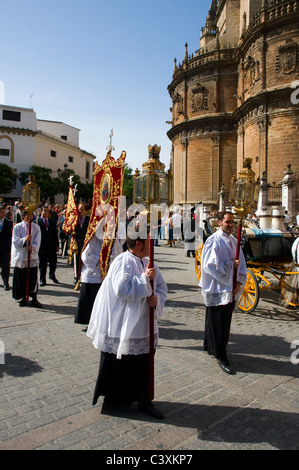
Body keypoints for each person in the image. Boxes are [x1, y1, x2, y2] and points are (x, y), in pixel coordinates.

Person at [87, 227, 167, 419]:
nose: (151, 244)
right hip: (125, 324)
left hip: (144, 322)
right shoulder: (123, 261)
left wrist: (156, 299)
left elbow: (162, 287)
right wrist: (144, 279)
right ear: (139, 243)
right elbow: (121, 289)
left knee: (143, 363)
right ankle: (118, 399)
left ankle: (144, 400)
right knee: (123, 364)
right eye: (148, 241)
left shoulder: (148, 261)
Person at [200, 211, 247, 374]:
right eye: (227, 222)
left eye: (233, 222)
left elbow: (242, 264)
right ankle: (221, 355)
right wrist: (229, 267)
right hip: (217, 287)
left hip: (230, 288)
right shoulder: (214, 240)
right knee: (218, 322)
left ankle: (210, 345)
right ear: (219, 223)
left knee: (222, 321)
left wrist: (239, 282)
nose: (231, 225)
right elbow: (210, 265)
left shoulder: (234, 241)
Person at [11, 209, 42, 308]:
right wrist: (24, 240)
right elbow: (15, 241)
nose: (29, 217)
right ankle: (23, 297)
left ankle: (34, 297)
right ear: (23, 216)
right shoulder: (17, 227)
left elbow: (38, 241)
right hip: (21, 256)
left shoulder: (36, 227)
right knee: (22, 278)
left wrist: (32, 246)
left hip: (31, 256)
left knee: (32, 277)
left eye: (31, 215)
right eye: (27, 215)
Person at [38, 205, 59, 286]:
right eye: (44, 211)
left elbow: (55, 234)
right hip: (42, 246)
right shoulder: (38, 222)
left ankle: (52, 275)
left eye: (47, 211)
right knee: (42, 264)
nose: (46, 212)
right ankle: (42, 279)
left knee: (53, 262)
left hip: (51, 246)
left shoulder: (52, 222)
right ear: (41, 212)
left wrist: (57, 245)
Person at [74, 202, 90, 284]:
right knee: (77, 259)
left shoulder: (88, 219)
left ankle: (84, 275)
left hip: (85, 243)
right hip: (77, 243)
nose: (80, 211)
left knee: (85, 260)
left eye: (82, 209)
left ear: (85, 210)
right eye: (79, 209)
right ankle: (76, 276)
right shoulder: (74, 219)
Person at [0, 204, 13, 290]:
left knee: (5, 266)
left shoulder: (9, 222)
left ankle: (6, 282)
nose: (3, 213)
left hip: (5, 248)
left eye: (4, 212)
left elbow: (11, 235)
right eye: (1, 212)